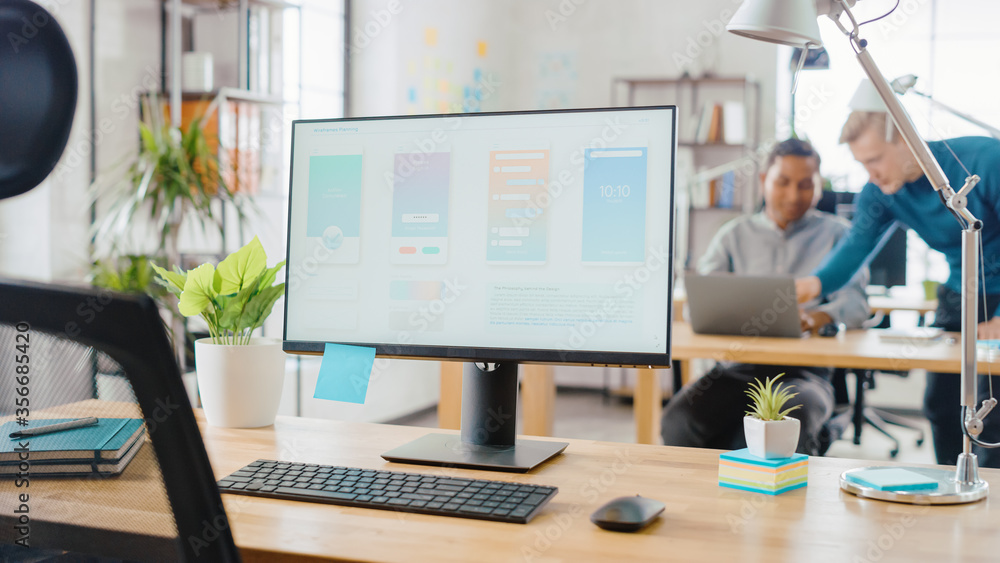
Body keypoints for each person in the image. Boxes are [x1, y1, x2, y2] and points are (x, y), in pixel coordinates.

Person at [796, 111, 1000, 467]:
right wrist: (811, 285)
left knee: (991, 410)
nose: (871, 174)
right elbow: (855, 247)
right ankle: (952, 486)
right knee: (942, 404)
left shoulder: (985, 160)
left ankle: (991, 494)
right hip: (961, 293)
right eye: (863, 164)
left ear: (907, 142)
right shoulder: (881, 192)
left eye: (875, 159)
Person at [662, 139, 871, 456]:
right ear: (763, 181)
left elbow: (856, 304)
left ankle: (772, 488)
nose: (793, 195)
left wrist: (816, 318)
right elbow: (699, 305)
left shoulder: (839, 236)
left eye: (805, 185)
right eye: (783, 182)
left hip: (805, 374)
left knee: (781, 428)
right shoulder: (733, 235)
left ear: (819, 186)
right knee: (678, 422)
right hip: (735, 370)